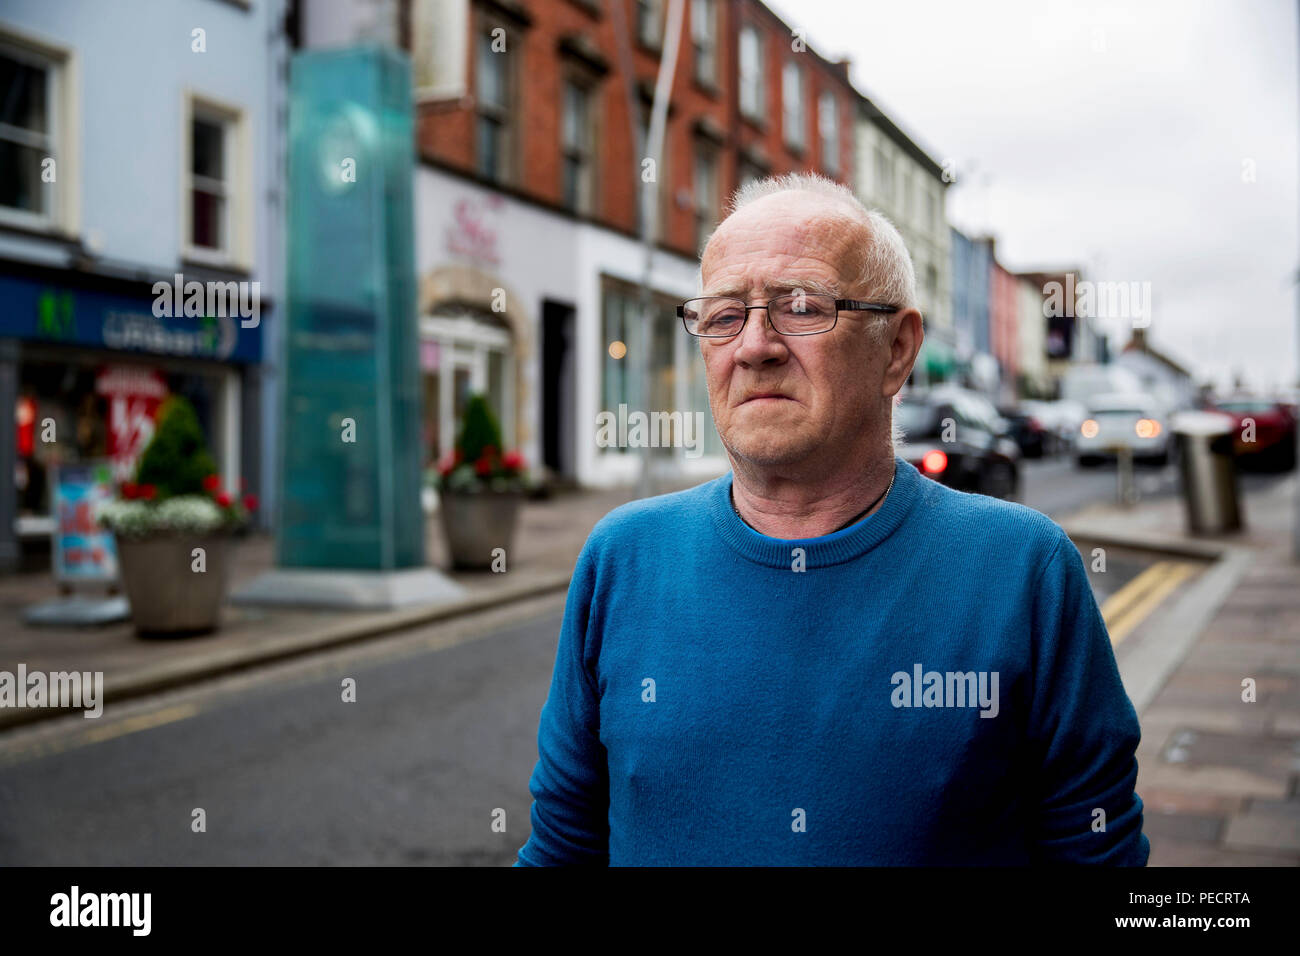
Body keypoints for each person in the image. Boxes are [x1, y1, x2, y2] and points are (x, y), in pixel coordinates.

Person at [515, 172, 1149, 866]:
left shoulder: (1026, 571)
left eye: (801, 306)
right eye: (725, 315)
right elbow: (563, 845)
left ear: (898, 350)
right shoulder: (621, 557)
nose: (754, 345)